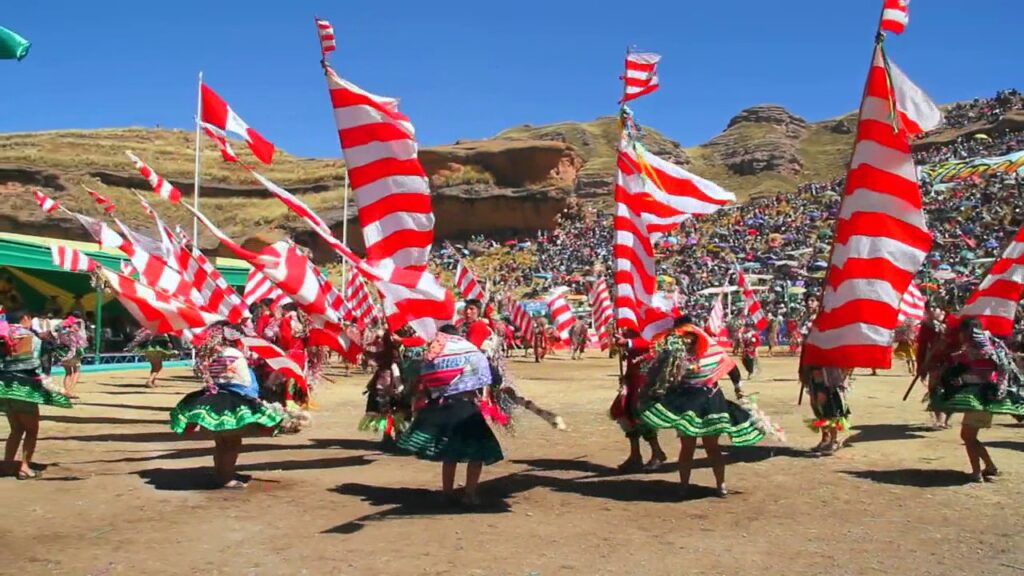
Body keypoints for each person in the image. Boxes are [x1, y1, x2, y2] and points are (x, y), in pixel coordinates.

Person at [637, 324, 771, 497]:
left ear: (697, 338)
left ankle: (721, 485)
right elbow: (659, 375)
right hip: (686, 401)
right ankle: (684, 485)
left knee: (711, 446)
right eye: (684, 337)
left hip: (710, 402)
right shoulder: (674, 356)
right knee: (687, 446)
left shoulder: (713, 353)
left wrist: (738, 388)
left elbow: (731, 368)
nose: (686, 340)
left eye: (689, 337)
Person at [168, 324, 289, 488]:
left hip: (211, 400)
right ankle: (225, 477)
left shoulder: (209, 354)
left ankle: (222, 472)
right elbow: (244, 381)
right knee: (232, 442)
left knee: (221, 442)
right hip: (231, 402)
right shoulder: (234, 354)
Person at [396, 326, 503, 506]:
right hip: (466, 409)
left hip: (442, 408)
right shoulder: (471, 352)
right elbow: (494, 378)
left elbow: (417, 378)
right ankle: (470, 494)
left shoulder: (433, 356)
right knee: (477, 453)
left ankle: (447, 493)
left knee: (449, 453)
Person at [931, 318, 1024, 482]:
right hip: (985, 397)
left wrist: (947, 357)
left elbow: (975, 370)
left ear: (968, 332)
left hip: (980, 398)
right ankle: (990, 467)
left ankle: (976, 472)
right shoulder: (991, 346)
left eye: (962, 332)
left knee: (968, 437)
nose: (960, 335)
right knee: (969, 436)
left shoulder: (978, 349)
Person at [0, 310, 72, 479]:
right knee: (31, 431)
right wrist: (61, 391)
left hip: (4, 389)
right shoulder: (32, 339)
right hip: (24, 390)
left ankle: (7, 465)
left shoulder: (3, 336)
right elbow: (38, 372)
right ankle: (24, 467)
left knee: (16, 429)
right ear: (25, 318)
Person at [610, 330, 667, 472]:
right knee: (624, 412)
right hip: (633, 378)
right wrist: (626, 378)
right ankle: (635, 455)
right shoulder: (631, 331)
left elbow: (656, 343)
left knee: (641, 415)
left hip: (646, 379)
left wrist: (629, 342)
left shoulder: (650, 329)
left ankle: (657, 452)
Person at [798, 352, 850, 455]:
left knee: (830, 409)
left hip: (830, 380)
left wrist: (843, 374)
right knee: (818, 409)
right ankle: (825, 438)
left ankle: (834, 440)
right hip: (815, 378)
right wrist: (803, 372)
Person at [52, 312, 88, 399]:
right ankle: (70, 391)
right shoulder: (79, 323)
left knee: (68, 372)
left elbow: (55, 334)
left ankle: (66, 391)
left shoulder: (61, 324)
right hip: (74, 351)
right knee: (76, 371)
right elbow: (81, 337)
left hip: (63, 351)